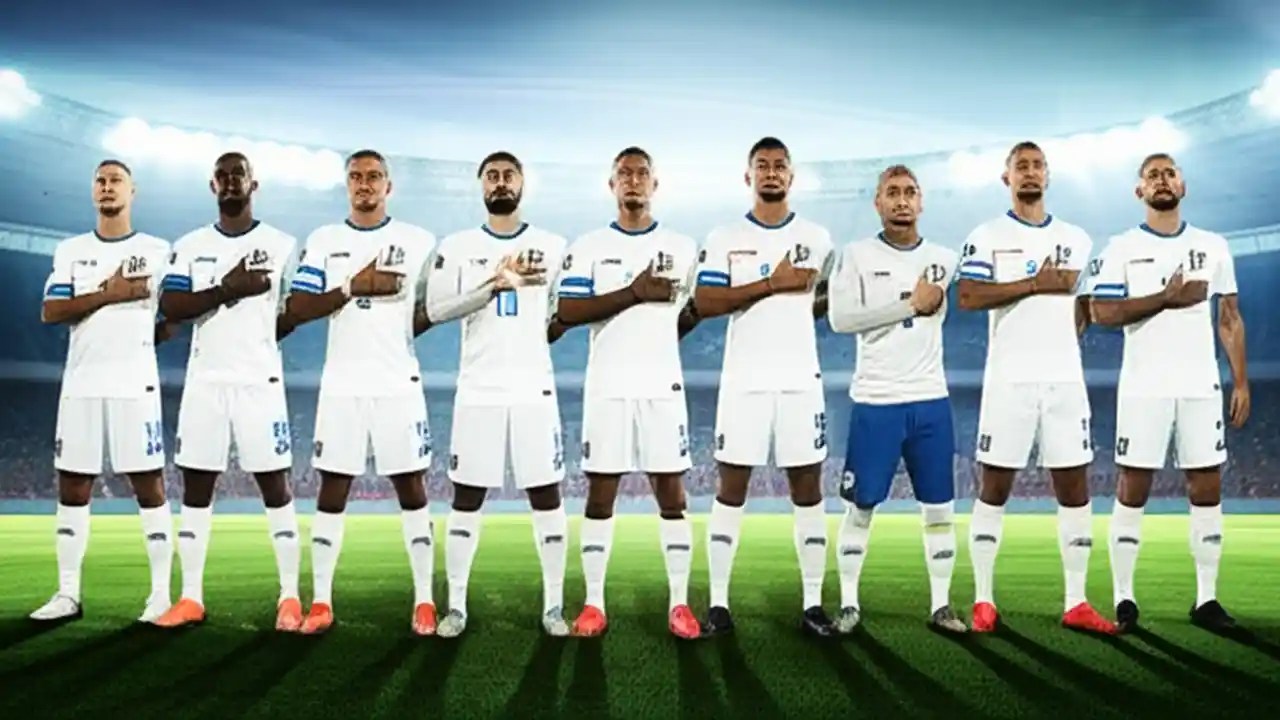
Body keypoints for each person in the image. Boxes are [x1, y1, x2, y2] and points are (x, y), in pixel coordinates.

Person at [956, 141, 1115, 635]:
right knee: (994, 487)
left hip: (1065, 380)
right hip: (1009, 379)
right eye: (1020, 166)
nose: (1029, 172)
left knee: (1074, 487)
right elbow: (967, 295)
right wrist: (1032, 284)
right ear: (1006, 177)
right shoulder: (986, 236)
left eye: (1037, 165)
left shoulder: (1078, 238)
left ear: (1048, 176)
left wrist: (1067, 325)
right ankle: (984, 601)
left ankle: (1076, 601)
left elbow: (1087, 307)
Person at [1087, 152, 1249, 634]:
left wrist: (1239, 380)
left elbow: (1229, 317)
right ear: (1139, 191)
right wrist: (1165, 297)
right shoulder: (1120, 247)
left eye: (1169, 172)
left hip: (1200, 385)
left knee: (1207, 486)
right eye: (1151, 174)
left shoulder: (1213, 246)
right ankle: (1124, 598)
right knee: (1132, 488)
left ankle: (1206, 599)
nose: (1161, 179)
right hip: (1144, 386)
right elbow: (1101, 312)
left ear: (1183, 186)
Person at [285, 149, 437, 636]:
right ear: (346, 185)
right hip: (342, 384)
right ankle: (323, 601)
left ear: (389, 186)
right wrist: (353, 286)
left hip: (398, 382)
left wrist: (396, 339)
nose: (365, 184)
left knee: (412, 488)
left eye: (374, 177)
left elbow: (428, 308)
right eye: (356, 177)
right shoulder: (325, 240)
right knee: (333, 488)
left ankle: (425, 602)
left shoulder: (418, 241)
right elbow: (301, 305)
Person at [554, 146, 703, 639]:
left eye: (642, 174)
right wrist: (633, 292)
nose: (633, 181)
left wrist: (655, 339)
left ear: (655, 185)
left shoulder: (682, 246)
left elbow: (689, 313)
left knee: (672, 496)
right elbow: (569, 313)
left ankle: (679, 605)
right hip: (608, 386)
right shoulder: (590, 245)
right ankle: (594, 604)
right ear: (612, 184)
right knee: (601, 495)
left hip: (662, 386)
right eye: (625, 174)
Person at [151, 152, 303, 631]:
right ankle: (191, 597)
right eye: (223, 175)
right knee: (196, 488)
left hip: (260, 381)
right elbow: (172, 304)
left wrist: (256, 341)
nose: (232, 181)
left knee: (275, 487)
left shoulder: (282, 243)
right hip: (206, 381)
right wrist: (226, 288)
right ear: (212, 185)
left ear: (253, 184)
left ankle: (290, 597)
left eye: (240, 174)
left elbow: (290, 311)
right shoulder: (190, 245)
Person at [423, 151, 571, 638]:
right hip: (479, 388)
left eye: (509, 175)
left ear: (523, 183)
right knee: (467, 495)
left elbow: (560, 314)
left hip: (534, 388)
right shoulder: (459, 245)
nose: (500, 182)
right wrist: (495, 283)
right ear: (481, 186)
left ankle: (553, 607)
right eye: (492, 176)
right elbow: (437, 309)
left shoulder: (552, 245)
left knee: (546, 493)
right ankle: (458, 607)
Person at [693, 136, 835, 637]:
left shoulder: (819, 237)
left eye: (780, 166)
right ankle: (718, 605)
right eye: (762, 166)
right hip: (744, 380)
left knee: (808, 490)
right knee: (730, 489)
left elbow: (828, 304)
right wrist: (769, 285)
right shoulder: (725, 235)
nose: (771, 173)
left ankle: (814, 604)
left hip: (800, 380)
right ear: (747, 176)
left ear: (791, 177)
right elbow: (706, 302)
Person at [30, 159, 174, 624]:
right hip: (82, 383)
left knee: (148, 485)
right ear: (93, 191)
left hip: (135, 384)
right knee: (73, 484)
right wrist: (109, 293)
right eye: (100, 180)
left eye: (116, 181)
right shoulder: (71, 250)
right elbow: (51, 311)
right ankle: (67, 593)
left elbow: (171, 316)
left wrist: (135, 342)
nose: (107, 187)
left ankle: (159, 596)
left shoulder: (158, 250)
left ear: (134, 192)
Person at [827, 164, 967, 634]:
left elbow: (940, 312)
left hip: (931, 399)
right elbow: (841, 320)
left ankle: (942, 605)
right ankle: (849, 604)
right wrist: (910, 303)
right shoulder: (857, 254)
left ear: (922, 201)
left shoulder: (945, 259)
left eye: (910, 192)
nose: (902, 200)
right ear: (878, 202)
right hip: (876, 399)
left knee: (940, 509)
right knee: (860, 507)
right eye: (893, 192)